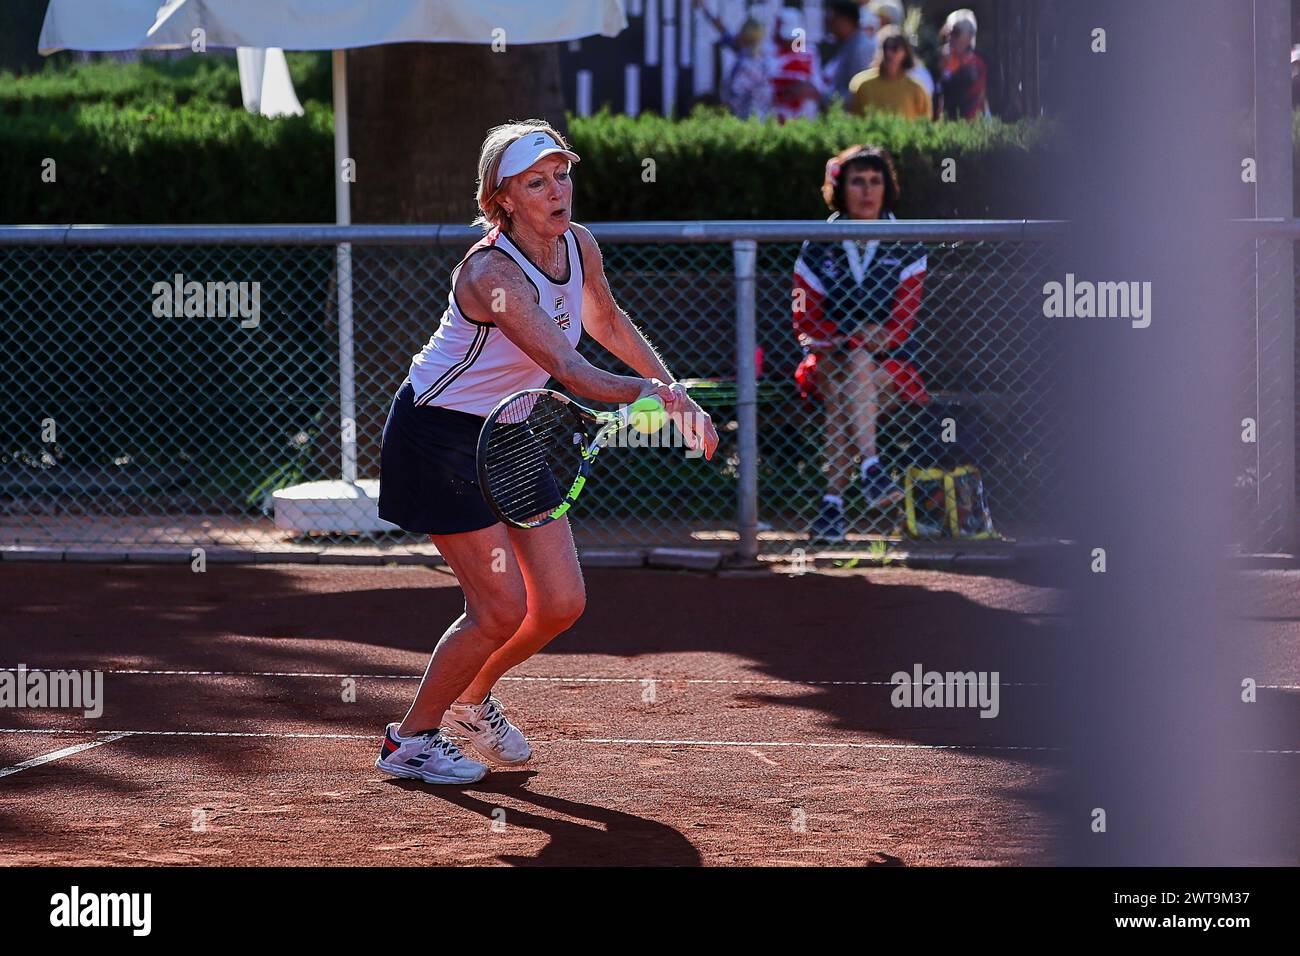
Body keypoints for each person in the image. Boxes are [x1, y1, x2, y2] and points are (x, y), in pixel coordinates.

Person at [375, 121, 720, 784]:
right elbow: (568, 367)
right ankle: (409, 741)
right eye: (536, 182)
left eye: (561, 175)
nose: (557, 190)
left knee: (560, 602)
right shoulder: (491, 273)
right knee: (499, 609)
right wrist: (656, 397)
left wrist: (672, 391)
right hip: (438, 437)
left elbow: (606, 323)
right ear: (501, 199)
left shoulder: (579, 244)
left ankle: (471, 699)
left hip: (506, 430)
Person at [791, 145, 929, 543]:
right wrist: (849, 337)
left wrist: (871, 340)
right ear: (840, 188)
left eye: (875, 181)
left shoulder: (908, 243)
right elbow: (804, 319)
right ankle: (871, 468)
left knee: (849, 386)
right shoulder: (818, 244)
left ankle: (833, 506)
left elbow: (903, 322)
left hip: (892, 368)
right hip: (828, 362)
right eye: (857, 182)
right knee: (852, 364)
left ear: (887, 187)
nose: (867, 191)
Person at [694, 1, 775, 119]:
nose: (737, 36)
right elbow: (723, 31)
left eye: (740, 34)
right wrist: (705, 9)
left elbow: (740, 95)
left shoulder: (752, 64)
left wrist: (723, 108)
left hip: (748, 118)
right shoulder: (746, 52)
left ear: (747, 38)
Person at [847, 26, 932, 121]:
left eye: (895, 47)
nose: (889, 53)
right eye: (885, 46)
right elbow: (853, 120)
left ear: (905, 52)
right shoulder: (861, 85)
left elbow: (924, 124)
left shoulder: (917, 90)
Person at [770, 7, 823, 122]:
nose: (790, 41)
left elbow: (819, 87)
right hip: (775, 117)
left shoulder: (810, 52)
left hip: (804, 119)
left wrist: (807, 89)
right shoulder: (767, 52)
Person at [821, 0, 876, 105]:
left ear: (845, 21)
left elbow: (858, 93)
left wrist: (821, 97)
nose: (830, 24)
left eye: (833, 19)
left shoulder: (860, 48)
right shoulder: (847, 43)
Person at [937, 8, 988, 119]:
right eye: (949, 32)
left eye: (956, 33)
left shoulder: (976, 63)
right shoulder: (945, 59)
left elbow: (966, 98)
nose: (950, 38)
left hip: (968, 122)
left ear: (969, 36)